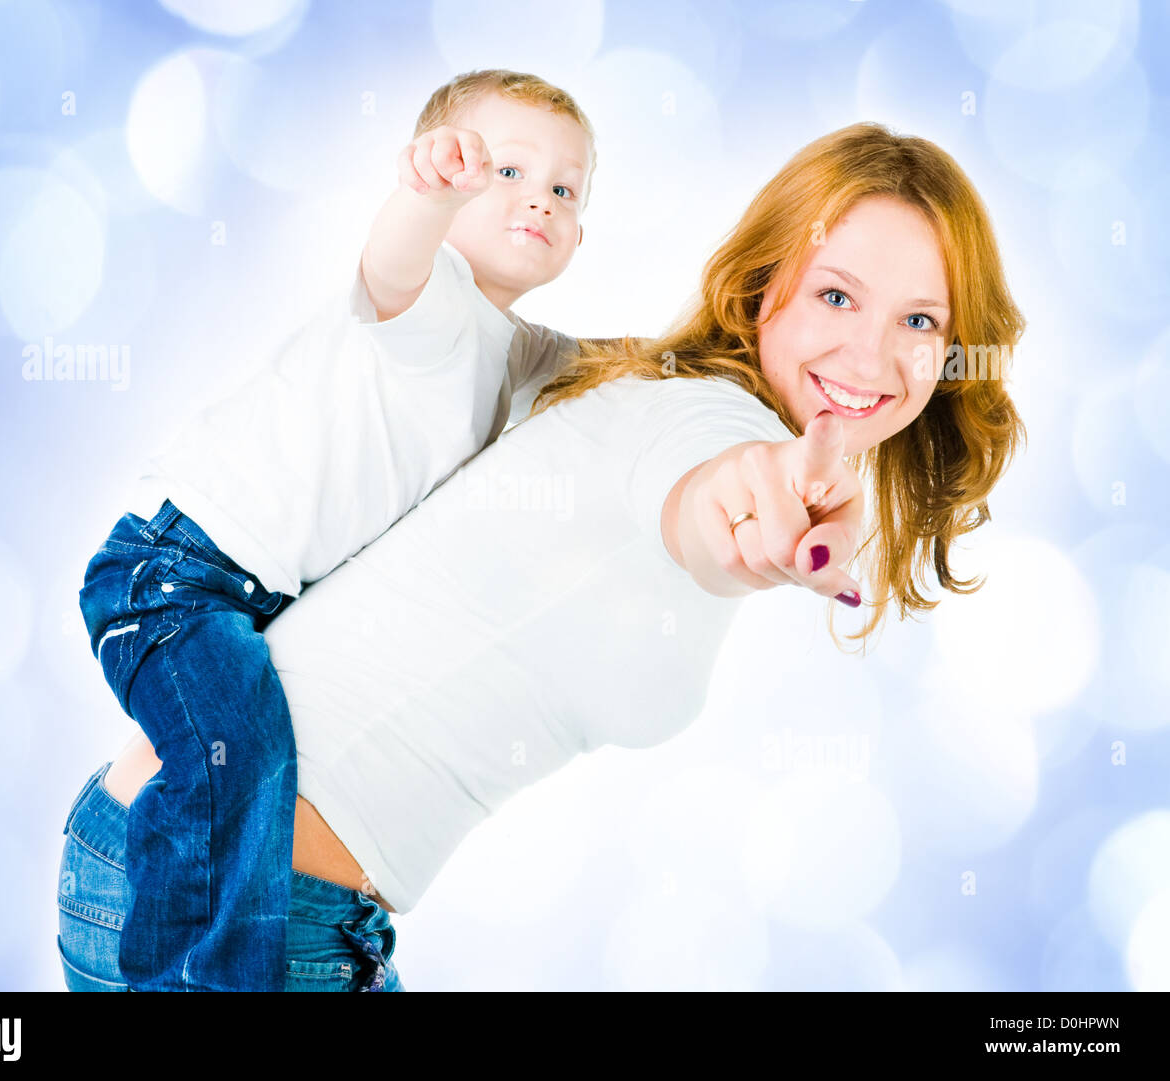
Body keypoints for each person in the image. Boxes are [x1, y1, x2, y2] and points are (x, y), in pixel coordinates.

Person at [58, 120, 1027, 990]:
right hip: (233, 907)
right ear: (762, 284)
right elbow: (710, 494)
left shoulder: (634, 379)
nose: (870, 352)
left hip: (226, 888)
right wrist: (760, 510)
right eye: (835, 294)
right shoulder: (706, 421)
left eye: (918, 320)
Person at [74, 69, 597, 991]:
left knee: (242, 749)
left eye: (565, 190)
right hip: (175, 571)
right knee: (238, 749)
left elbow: (615, 371)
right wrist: (425, 191)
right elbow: (392, 259)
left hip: (247, 598)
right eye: (509, 170)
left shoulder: (519, 353)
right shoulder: (426, 289)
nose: (539, 201)